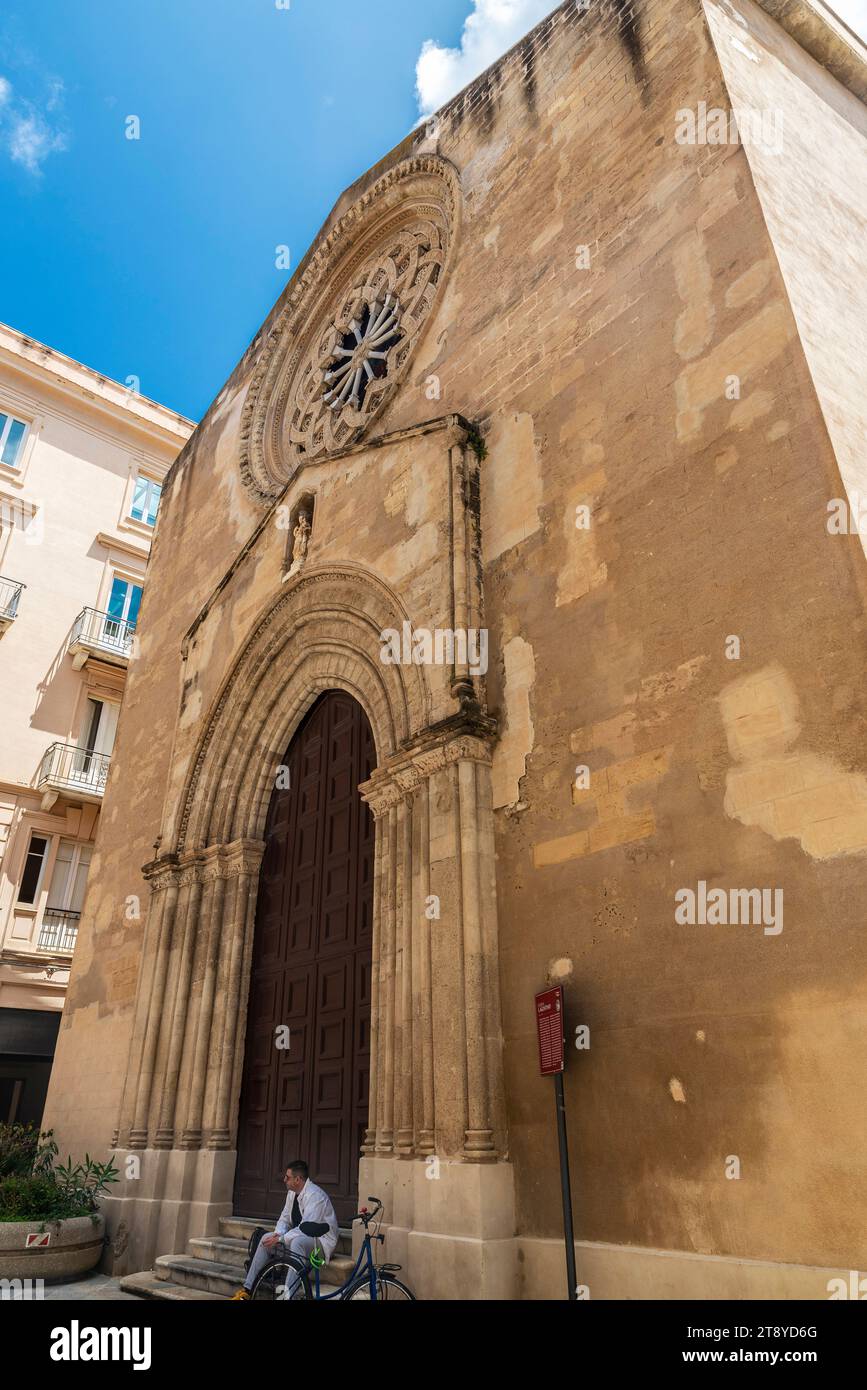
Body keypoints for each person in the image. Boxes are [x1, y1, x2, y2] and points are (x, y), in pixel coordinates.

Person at [230, 1159, 339, 1300]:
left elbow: (306, 1229)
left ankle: (287, 1296)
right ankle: (248, 1290)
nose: (284, 1180)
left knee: (297, 1242)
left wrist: (281, 1239)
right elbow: (284, 1218)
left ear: (298, 1179)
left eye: (287, 1177)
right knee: (265, 1239)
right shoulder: (292, 1193)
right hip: (298, 1237)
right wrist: (277, 1235)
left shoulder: (315, 1196)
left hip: (321, 1243)